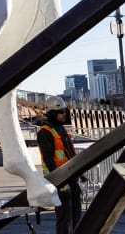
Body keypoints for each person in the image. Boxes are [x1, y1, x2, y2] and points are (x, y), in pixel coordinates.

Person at [37, 96, 81, 233]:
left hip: (71, 177)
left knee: (76, 214)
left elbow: (69, 153)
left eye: (64, 111)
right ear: (53, 113)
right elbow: (48, 160)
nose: (64, 114)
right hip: (60, 181)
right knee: (65, 217)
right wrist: (59, 182)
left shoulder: (61, 129)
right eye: (61, 111)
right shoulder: (45, 132)